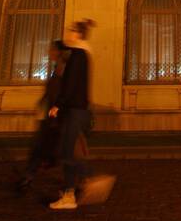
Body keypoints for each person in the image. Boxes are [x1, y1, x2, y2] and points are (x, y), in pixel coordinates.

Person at [49, 19, 115, 210]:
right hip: (77, 109)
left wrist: (57, 105)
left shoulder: (78, 55)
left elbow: (70, 84)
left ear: (77, 34)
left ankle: (91, 176)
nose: (67, 34)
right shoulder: (81, 53)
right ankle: (69, 193)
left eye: (70, 31)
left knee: (65, 152)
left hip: (75, 109)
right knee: (67, 150)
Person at [16, 40, 67, 192]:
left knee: (47, 148)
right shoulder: (56, 68)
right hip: (51, 115)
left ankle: (76, 181)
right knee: (40, 147)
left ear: (59, 52)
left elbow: (60, 92)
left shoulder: (62, 68)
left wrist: (55, 111)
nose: (49, 53)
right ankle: (30, 174)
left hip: (55, 115)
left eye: (52, 50)